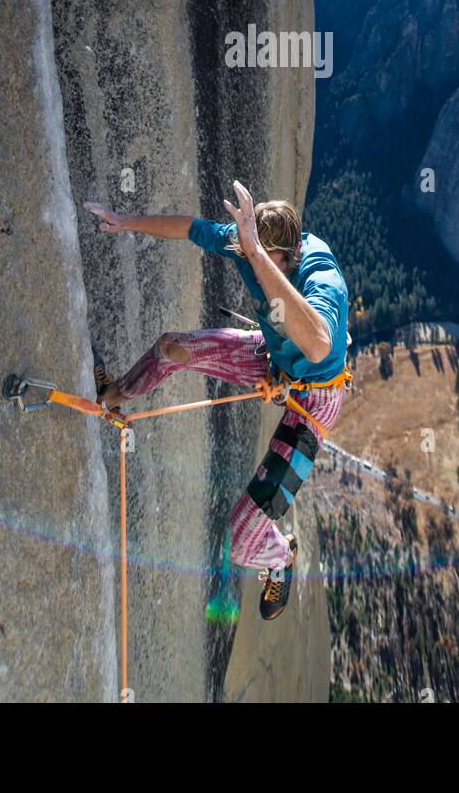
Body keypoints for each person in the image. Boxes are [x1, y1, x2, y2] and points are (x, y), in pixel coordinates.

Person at [83, 180, 350, 621]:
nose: (247, 262)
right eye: (246, 252)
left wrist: (258, 257)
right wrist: (126, 221)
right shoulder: (248, 243)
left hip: (315, 400)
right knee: (173, 347)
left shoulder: (321, 280)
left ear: (285, 257)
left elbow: (319, 346)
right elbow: (191, 228)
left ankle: (280, 557)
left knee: (242, 539)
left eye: (258, 258)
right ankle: (113, 396)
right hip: (275, 362)